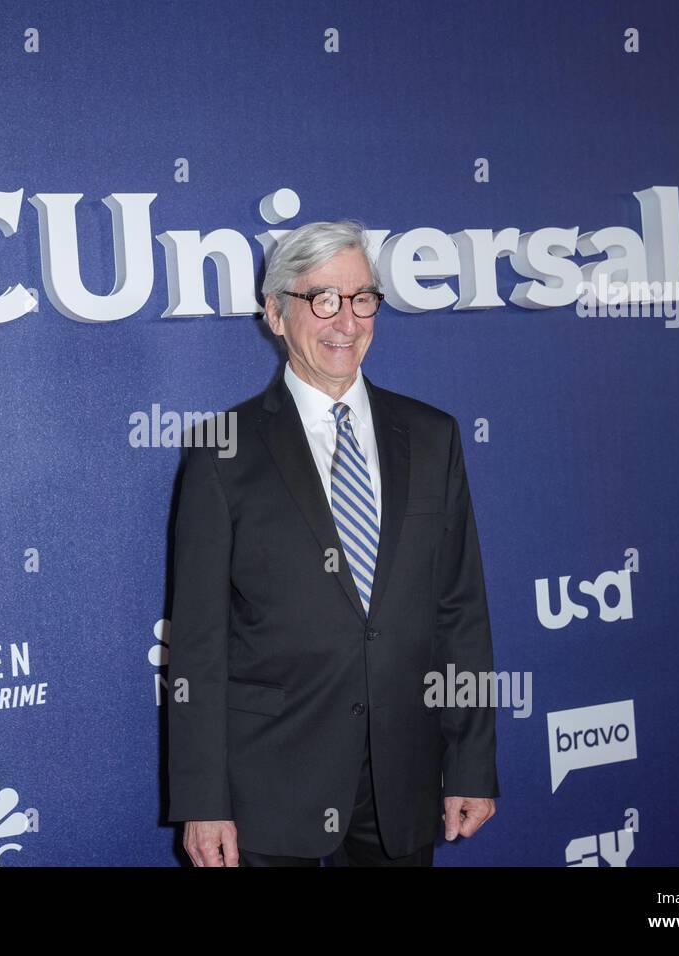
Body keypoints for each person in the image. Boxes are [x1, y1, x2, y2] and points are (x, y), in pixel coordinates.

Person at [165, 219, 498, 866]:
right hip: (272, 783)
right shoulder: (221, 451)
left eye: (361, 298)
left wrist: (471, 763)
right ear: (276, 314)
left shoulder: (433, 438)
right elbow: (198, 646)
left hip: (404, 777)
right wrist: (204, 800)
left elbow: (461, 612)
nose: (345, 320)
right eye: (322, 298)